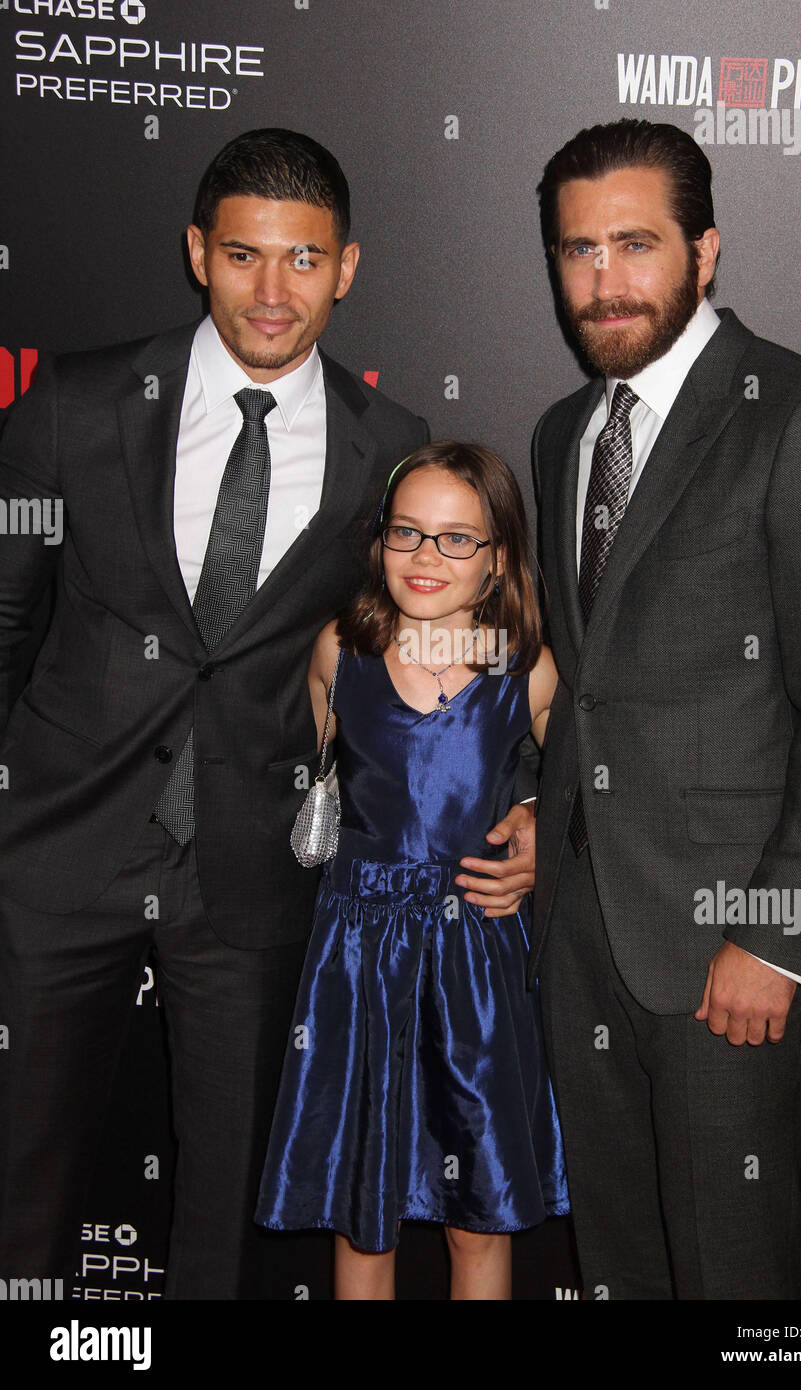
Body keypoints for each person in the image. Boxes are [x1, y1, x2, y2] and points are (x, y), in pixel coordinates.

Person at [0, 128, 528, 1300]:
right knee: (20, 1187)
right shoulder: (75, 404)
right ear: (198, 252)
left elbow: (454, 659)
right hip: (57, 850)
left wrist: (527, 799)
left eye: (303, 260)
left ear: (347, 267)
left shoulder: (391, 460)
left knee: (225, 1221)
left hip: (256, 879)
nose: (272, 292)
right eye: (243, 255)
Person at [527, 118, 801, 1299]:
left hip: (726, 955)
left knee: (737, 1279)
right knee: (621, 1267)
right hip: (583, 938)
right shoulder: (562, 436)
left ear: (708, 249)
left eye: (635, 245)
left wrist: (780, 939)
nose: (604, 280)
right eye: (578, 250)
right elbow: (592, 684)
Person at [255, 441, 569, 1300]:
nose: (427, 558)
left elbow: (579, 799)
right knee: (367, 1207)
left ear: (498, 556)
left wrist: (538, 824)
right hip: (356, 960)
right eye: (407, 533)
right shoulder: (338, 651)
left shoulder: (527, 668)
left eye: (457, 539)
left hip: (477, 955)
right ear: (379, 542)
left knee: (480, 1216)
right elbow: (325, 779)